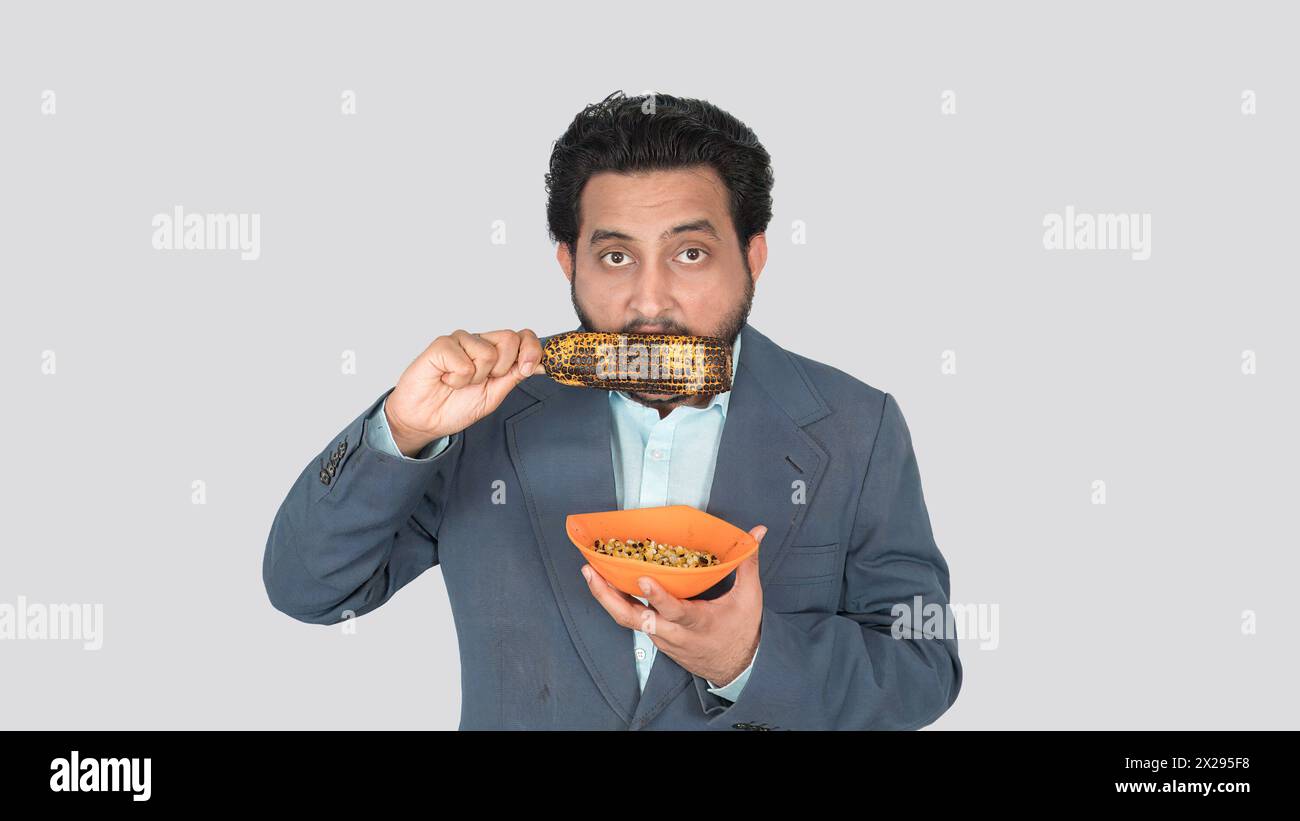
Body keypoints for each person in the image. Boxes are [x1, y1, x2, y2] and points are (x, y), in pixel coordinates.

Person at [262, 90, 962, 730]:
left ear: (753, 258)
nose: (650, 301)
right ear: (569, 263)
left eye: (691, 253)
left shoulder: (857, 426)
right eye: (617, 258)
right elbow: (307, 590)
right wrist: (402, 431)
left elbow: (923, 664)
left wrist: (748, 658)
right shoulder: (480, 418)